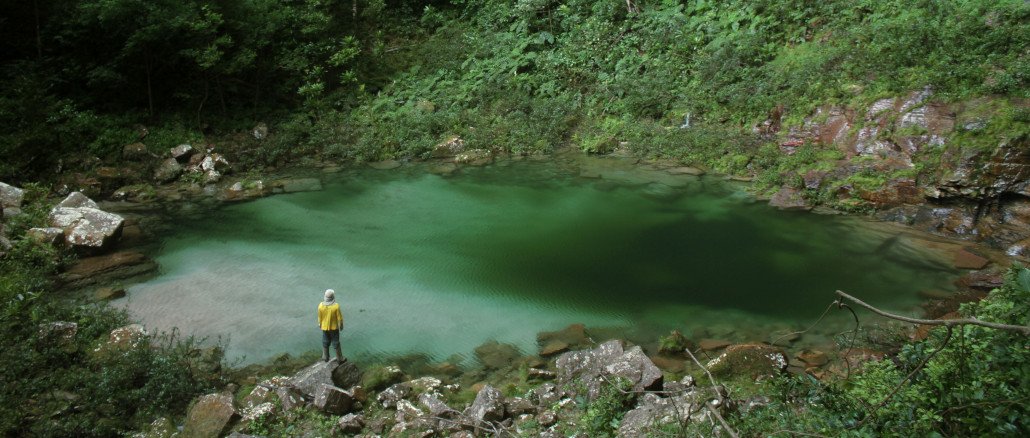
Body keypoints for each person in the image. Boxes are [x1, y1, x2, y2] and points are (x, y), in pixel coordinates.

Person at [317, 288, 344, 363]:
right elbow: (340, 318)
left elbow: (319, 317)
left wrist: (319, 324)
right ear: (333, 297)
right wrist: (341, 326)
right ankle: (339, 358)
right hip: (334, 328)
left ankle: (325, 357)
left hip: (324, 327)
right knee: (336, 342)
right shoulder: (336, 306)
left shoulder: (320, 305)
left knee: (325, 341)